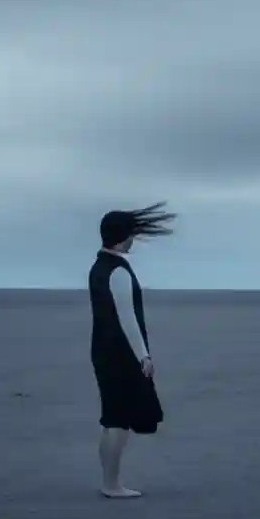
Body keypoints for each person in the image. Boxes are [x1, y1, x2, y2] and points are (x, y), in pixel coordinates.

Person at [87, 201, 175, 499]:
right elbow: (128, 318)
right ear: (124, 237)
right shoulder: (118, 272)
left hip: (102, 349)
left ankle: (108, 481)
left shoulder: (98, 267)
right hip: (120, 353)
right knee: (118, 421)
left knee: (112, 417)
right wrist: (143, 356)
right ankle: (111, 485)